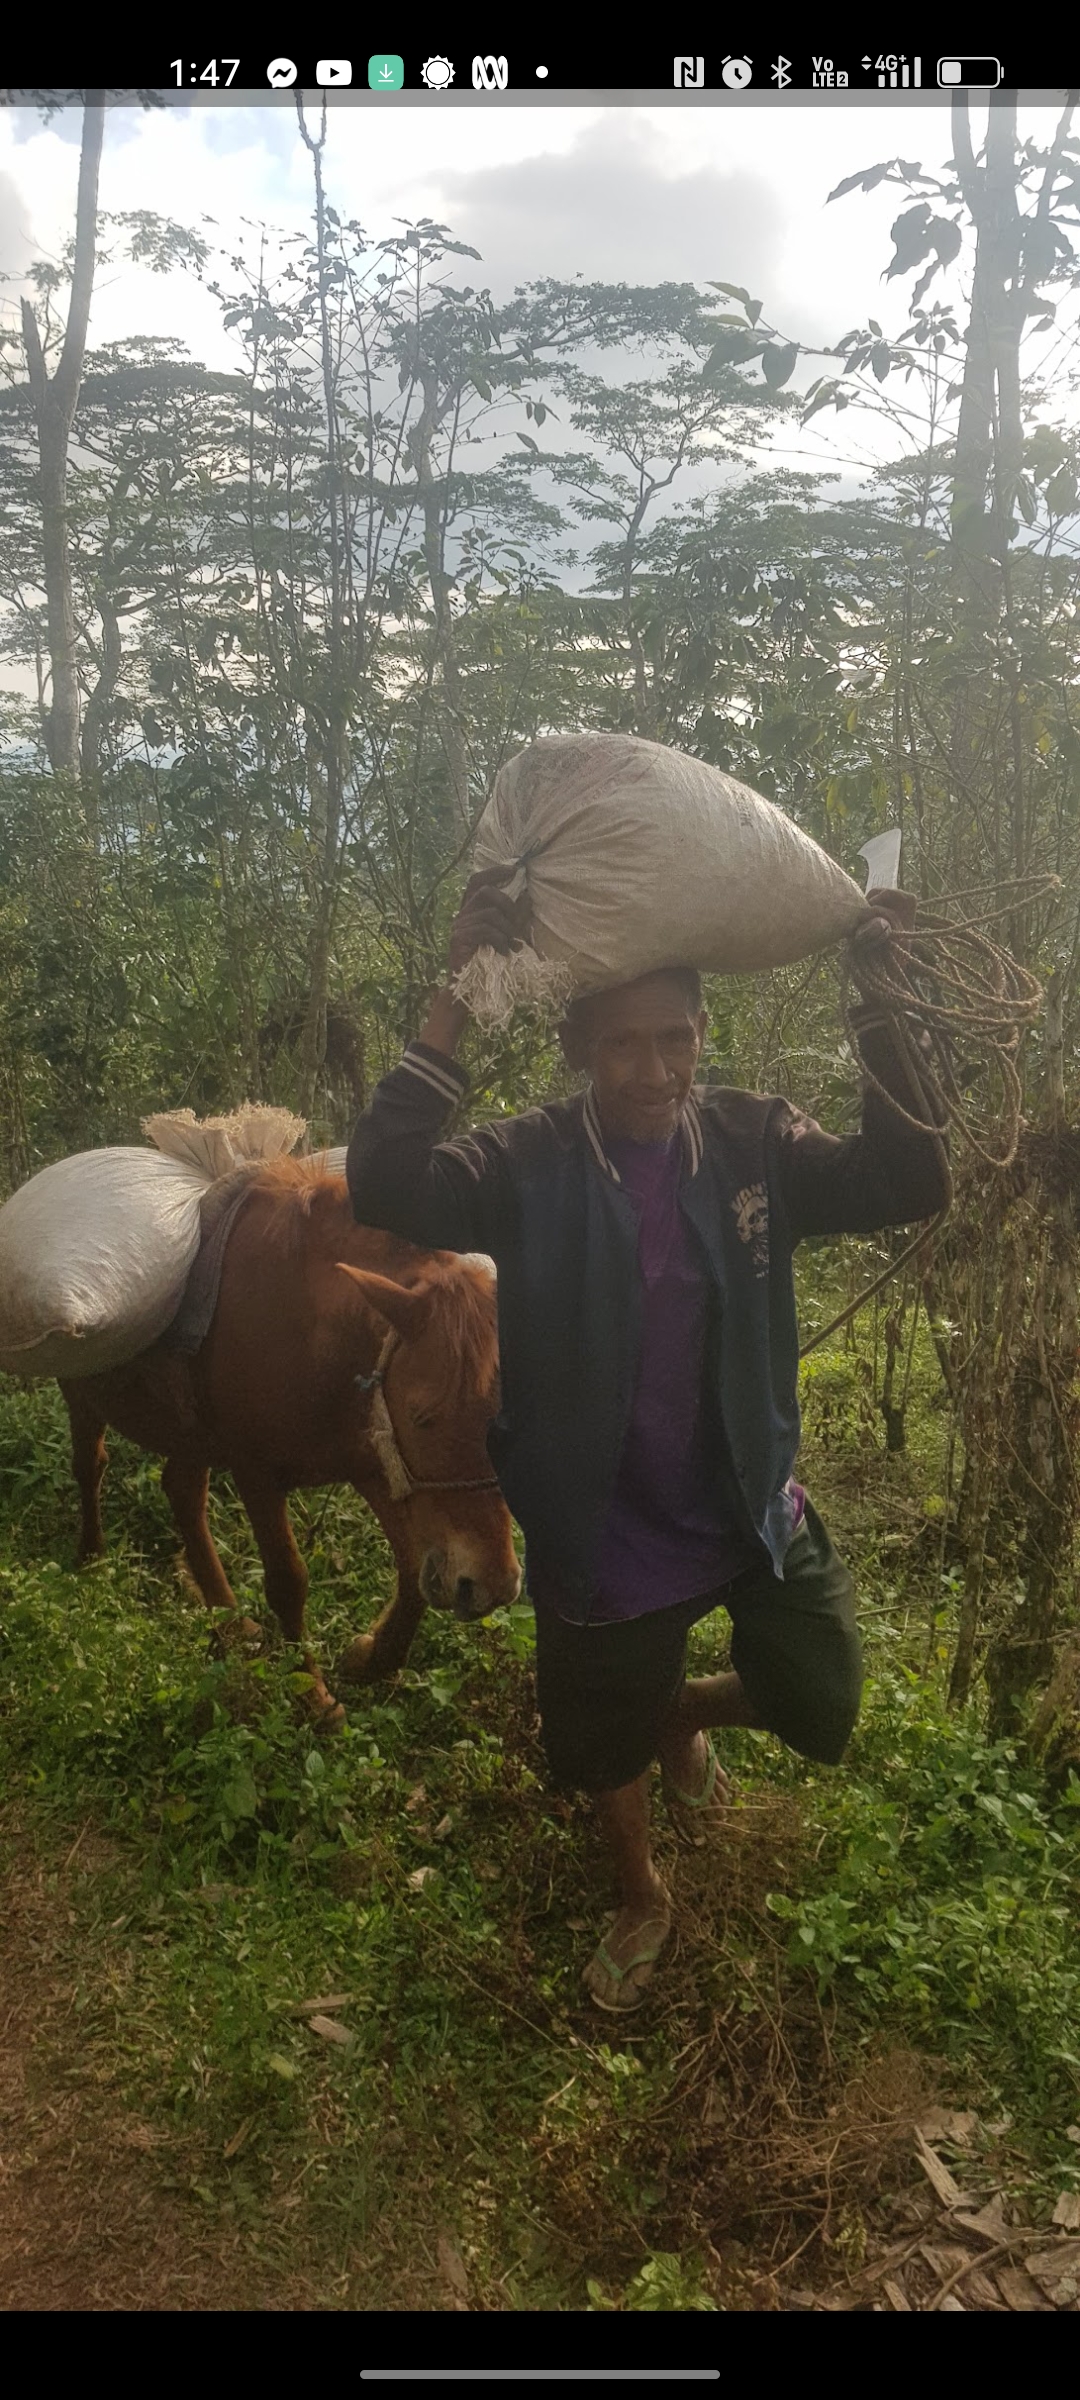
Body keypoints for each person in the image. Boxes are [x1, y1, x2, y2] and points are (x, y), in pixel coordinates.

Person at [346, 870, 947, 2011]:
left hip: (744, 1498)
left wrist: (881, 1000)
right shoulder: (525, 1163)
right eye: (625, 1045)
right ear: (580, 1047)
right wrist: (456, 998)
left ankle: (681, 1709)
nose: (655, 1070)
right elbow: (387, 1181)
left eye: (676, 1040)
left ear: (704, 1038)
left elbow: (906, 1177)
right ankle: (640, 1892)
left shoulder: (752, 1140)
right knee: (593, 1749)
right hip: (602, 1519)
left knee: (821, 1699)